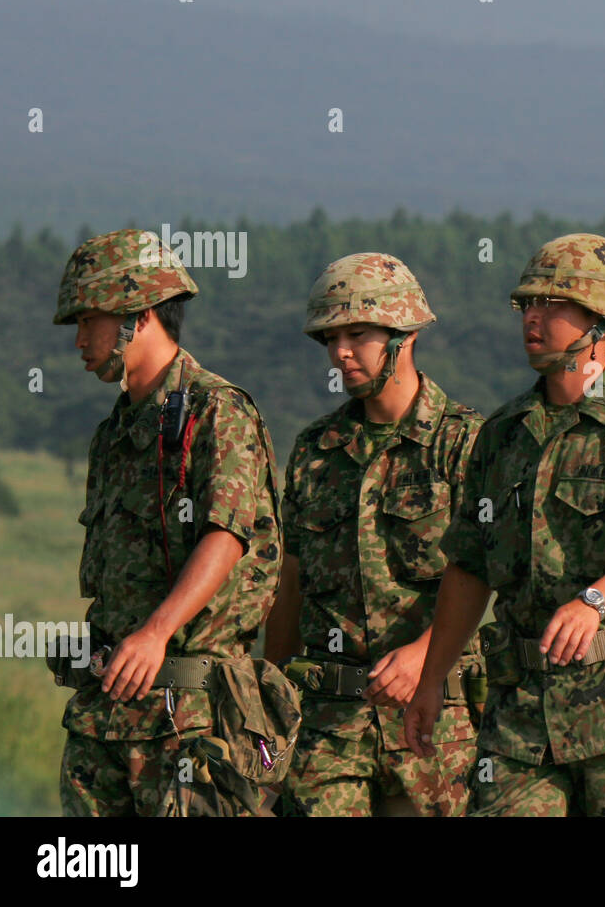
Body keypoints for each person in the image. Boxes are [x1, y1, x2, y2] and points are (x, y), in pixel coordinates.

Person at [403, 233, 605, 815]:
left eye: (553, 306)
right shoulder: (503, 435)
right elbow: (470, 567)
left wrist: (595, 599)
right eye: (527, 305)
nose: (533, 319)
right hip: (522, 715)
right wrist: (432, 680)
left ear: (602, 322)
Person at [52, 229, 281, 816]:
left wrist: (155, 633)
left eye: (90, 321)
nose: (79, 340)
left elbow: (227, 536)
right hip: (106, 720)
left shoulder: (215, 410)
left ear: (139, 316)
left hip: (189, 719)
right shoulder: (115, 432)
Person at [266, 253, 484, 816]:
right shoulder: (316, 450)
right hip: (327, 725)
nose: (340, 351)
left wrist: (424, 656)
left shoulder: (466, 443)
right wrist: (269, 700)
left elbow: (495, 576)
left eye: (357, 334)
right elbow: (290, 582)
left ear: (403, 336)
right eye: (331, 337)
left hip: (434, 719)